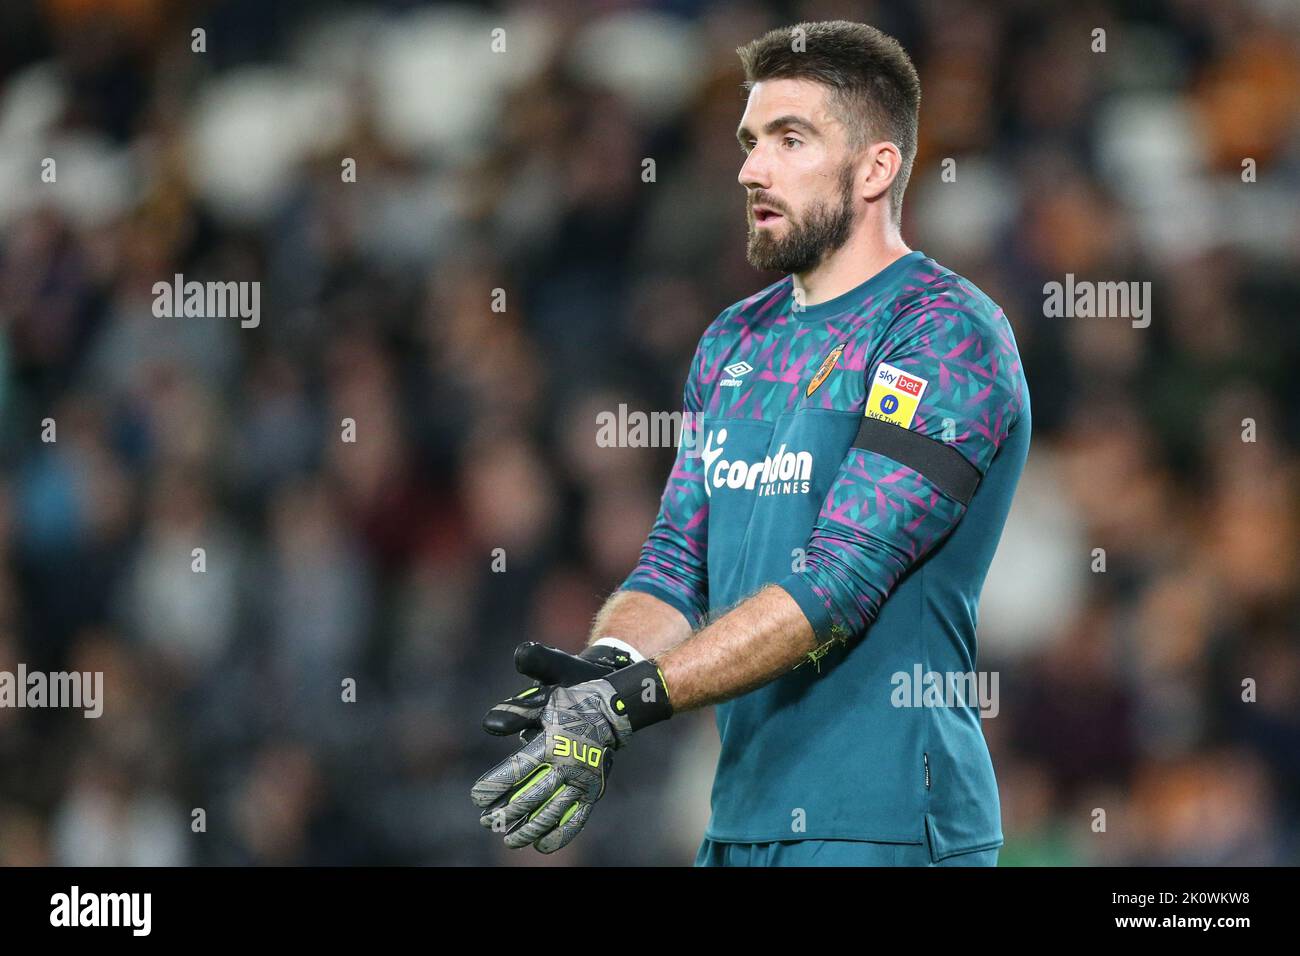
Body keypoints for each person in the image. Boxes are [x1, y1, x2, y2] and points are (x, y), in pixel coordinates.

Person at [471, 19, 1031, 867]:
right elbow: (673, 564)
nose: (749, 169)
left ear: (876, 168)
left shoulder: (947, 336)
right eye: (749, 141)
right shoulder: (733, 341)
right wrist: (604, 669)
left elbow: (839, 582)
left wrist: (629, 703)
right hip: (738, 820)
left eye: (789, 138)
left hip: (886, 827)